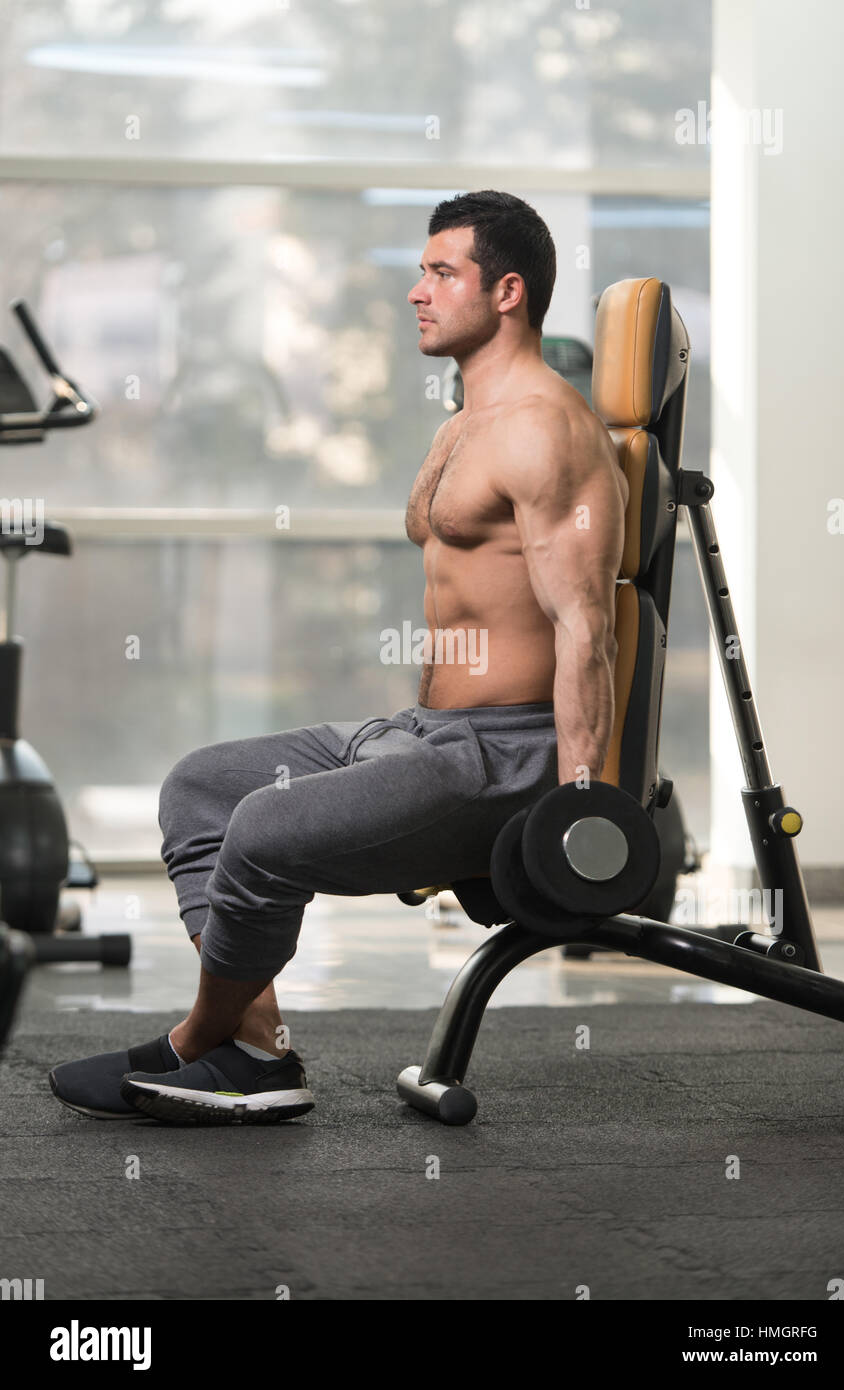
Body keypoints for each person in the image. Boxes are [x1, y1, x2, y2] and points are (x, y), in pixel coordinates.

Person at [49, 190, 628, 1125]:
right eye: (421, 270)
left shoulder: (543, 431)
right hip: (424, 733)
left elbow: (584, 628)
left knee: (265, 833)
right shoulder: (465, 421)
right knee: (201, 786)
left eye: (442, 273)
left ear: (508, 291)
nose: (416, 291)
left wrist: (578, 804)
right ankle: (255, 1048)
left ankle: (194, 1042)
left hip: (499, 760)